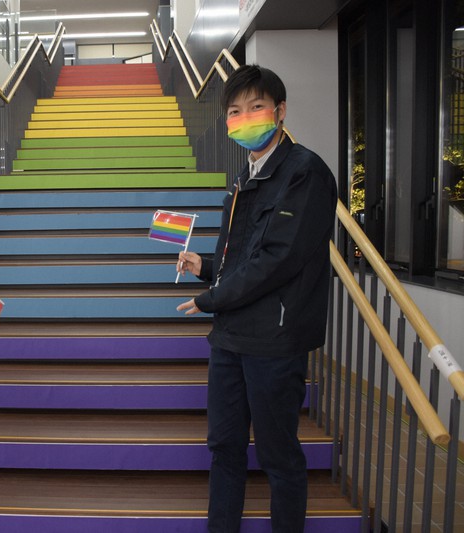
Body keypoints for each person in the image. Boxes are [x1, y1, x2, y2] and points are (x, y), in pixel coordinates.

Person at [176, 65, 337, 532]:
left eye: (256, 107)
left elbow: (276, 260)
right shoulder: (241, 178)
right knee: (224, 447)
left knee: (278, 455)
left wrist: (211, 298)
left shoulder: (305, 172)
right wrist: (204, 267)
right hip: (229, 339)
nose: (245, 118)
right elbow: (239, 253)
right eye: (234, 111)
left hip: (274, 341)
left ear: (280, 111)